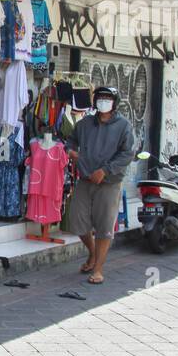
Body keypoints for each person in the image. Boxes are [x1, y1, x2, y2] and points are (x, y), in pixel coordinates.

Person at [66, 85, 135, 285]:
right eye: (100, 97)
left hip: (109, 183)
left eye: (107, 98)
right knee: (77, 221)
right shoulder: (85, 123)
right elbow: (70, 141)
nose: (103, 101)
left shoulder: (123, 126)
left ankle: (98, 269)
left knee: (104, 226)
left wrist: (105, 170)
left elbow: (127, 153)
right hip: (85, 179)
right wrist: (72, 152)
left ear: (114, 102)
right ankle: (93, 253)